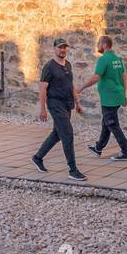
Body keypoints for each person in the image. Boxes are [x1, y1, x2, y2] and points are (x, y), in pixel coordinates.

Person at [31, 37, 86, 180]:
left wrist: (77, 103)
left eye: (64, 47)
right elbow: (43, 89)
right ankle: (73, 170)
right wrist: (42, 109)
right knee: (67, 134)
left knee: (57, 134)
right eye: (60, 47)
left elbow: (71, 85)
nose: (63, 50)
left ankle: (38, 157)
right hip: (55, 104)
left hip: (67, 104)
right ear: (54, 49)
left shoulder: (67, 64)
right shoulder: (49, 67)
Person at [80, 36, 127, 160]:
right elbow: (124, 77)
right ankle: (98, 148)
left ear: (104, 45)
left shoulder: (103, 59)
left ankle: (126, 152)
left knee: (112, 124)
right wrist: (123, 95)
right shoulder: (117, 59)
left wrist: (81, 87)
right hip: (117, 95)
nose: (97, 46)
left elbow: (96, 77)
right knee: (106, 123)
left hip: (109, 98)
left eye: (98, 43)